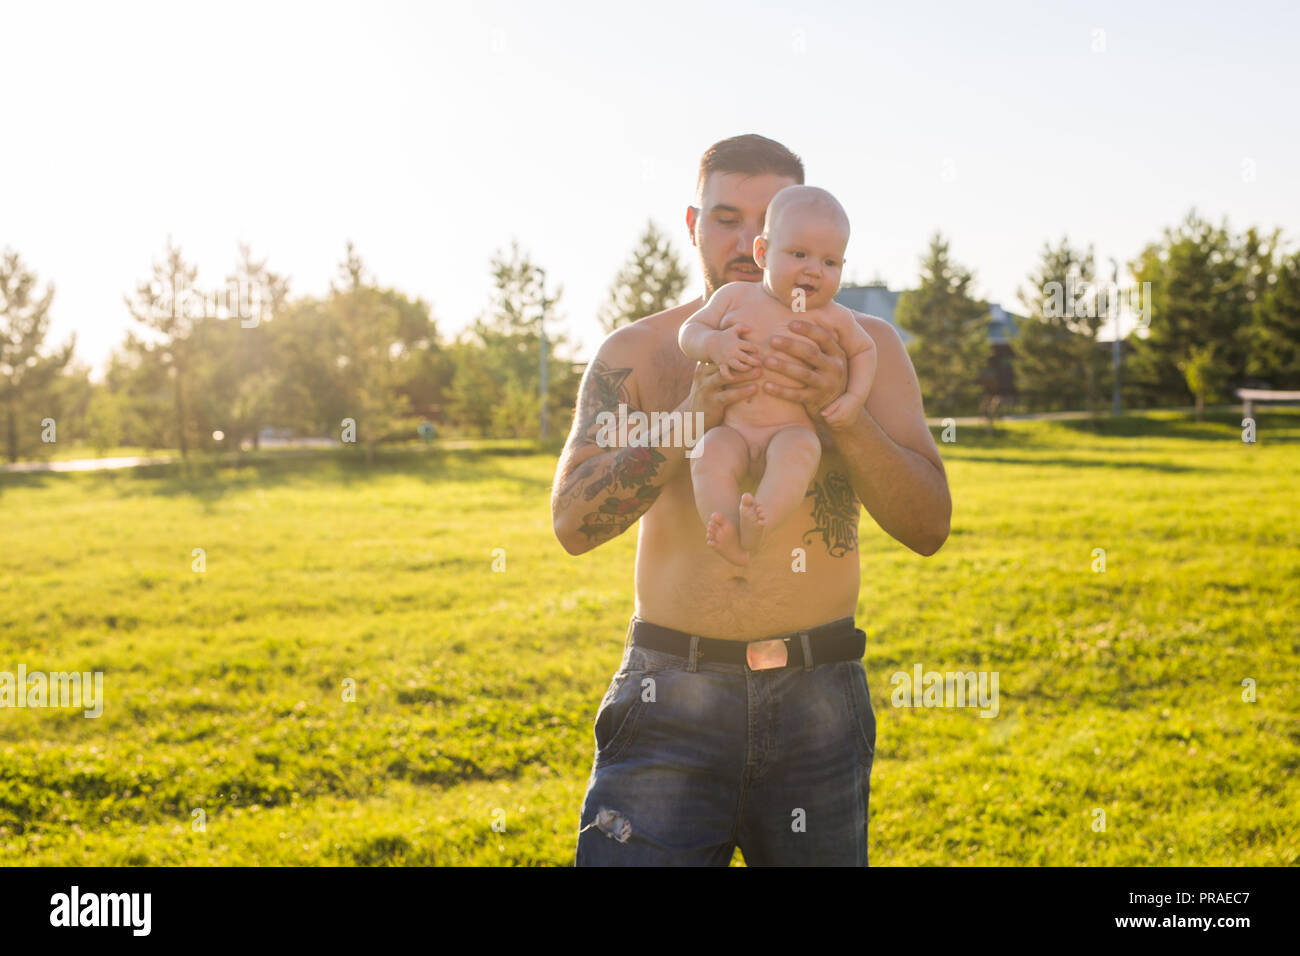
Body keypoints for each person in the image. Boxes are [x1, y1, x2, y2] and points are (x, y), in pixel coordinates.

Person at [551, 134, 951, 866]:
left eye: (769, 220)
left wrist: (846, 415)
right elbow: (572, 523)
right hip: (667, 692)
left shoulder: (868, 346)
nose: (749, 239)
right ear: (692, 223)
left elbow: (929, 526)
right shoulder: (636, 354)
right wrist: (692, 416)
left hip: (818, 696)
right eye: (726, 217)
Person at [677, 185, 877, 565]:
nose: (814, 270)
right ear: (763, 253)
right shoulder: (736, 297)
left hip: (788, 430)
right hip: (733, 430)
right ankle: (725, 527)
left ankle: (760, 523)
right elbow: (689, 332)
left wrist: (852, 400)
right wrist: (715, 345)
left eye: (830, 262)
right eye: (799, 254)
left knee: (800, 452)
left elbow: (865, 351)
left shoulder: (832, 316)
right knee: (708, 453)